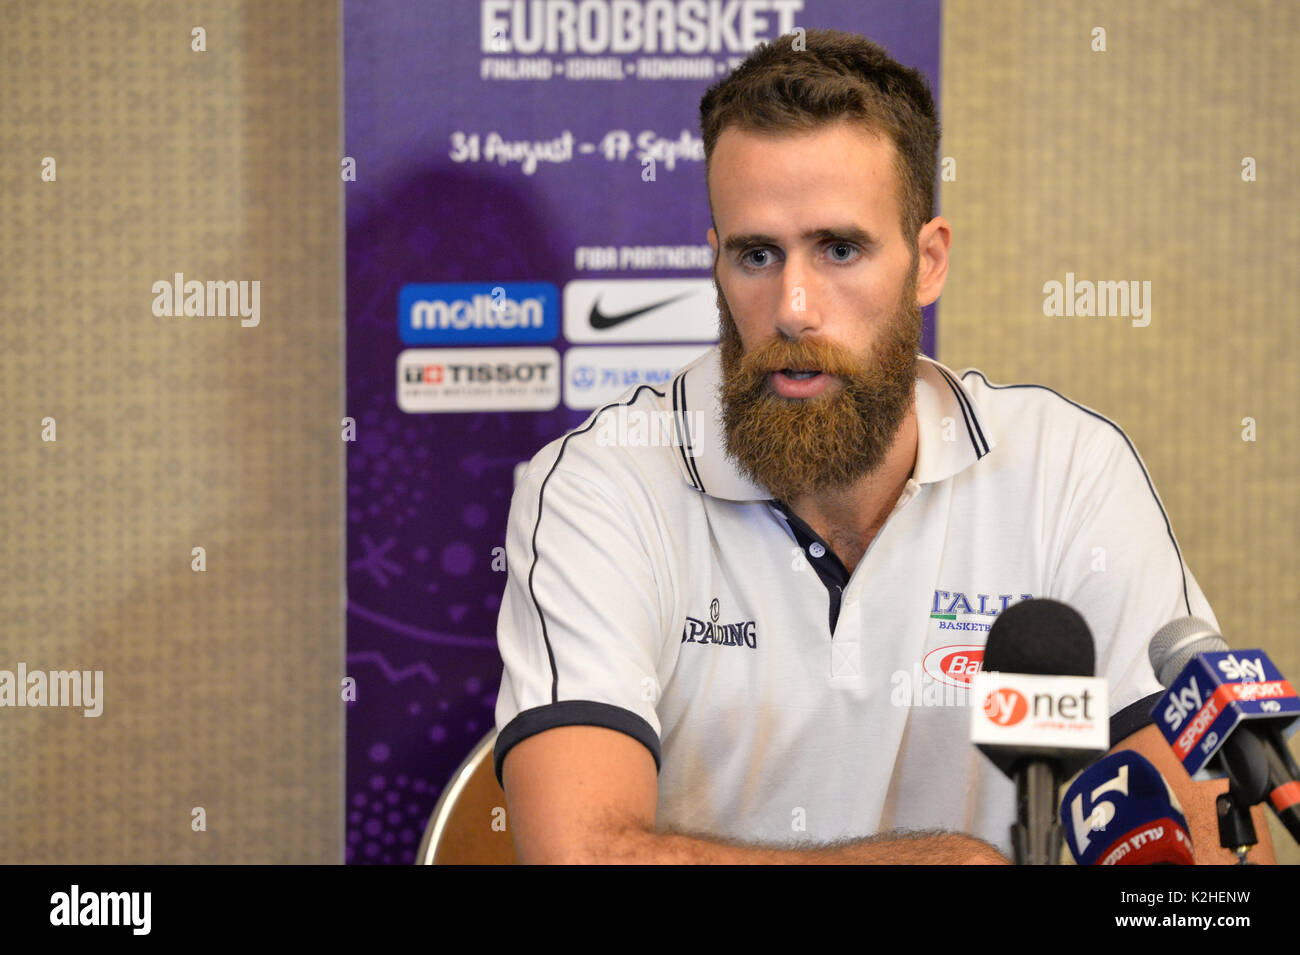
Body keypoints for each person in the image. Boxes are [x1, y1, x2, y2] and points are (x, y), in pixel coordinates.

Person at [490, 29, 1275, 864]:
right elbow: (581, 856)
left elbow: (1221, 859)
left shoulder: (1068, 473)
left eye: (840, 250)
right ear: (715, 265)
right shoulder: (600, 487)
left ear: (928, 261)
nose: (794, 306)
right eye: (757, 255)